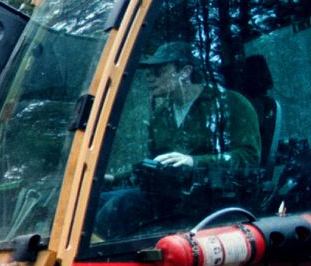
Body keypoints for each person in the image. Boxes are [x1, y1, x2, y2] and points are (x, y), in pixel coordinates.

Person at [95, 42, 261, 239]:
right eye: (148, 72)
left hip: (212, 200)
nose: (149, 77)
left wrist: (194, 162)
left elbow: (249, 158)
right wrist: (116, 179)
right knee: (96, 201)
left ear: (185, 72)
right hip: (169, 198)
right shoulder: (161, 115)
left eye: (158, 71)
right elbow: (156, 164)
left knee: (118, 207)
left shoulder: (229, 103)